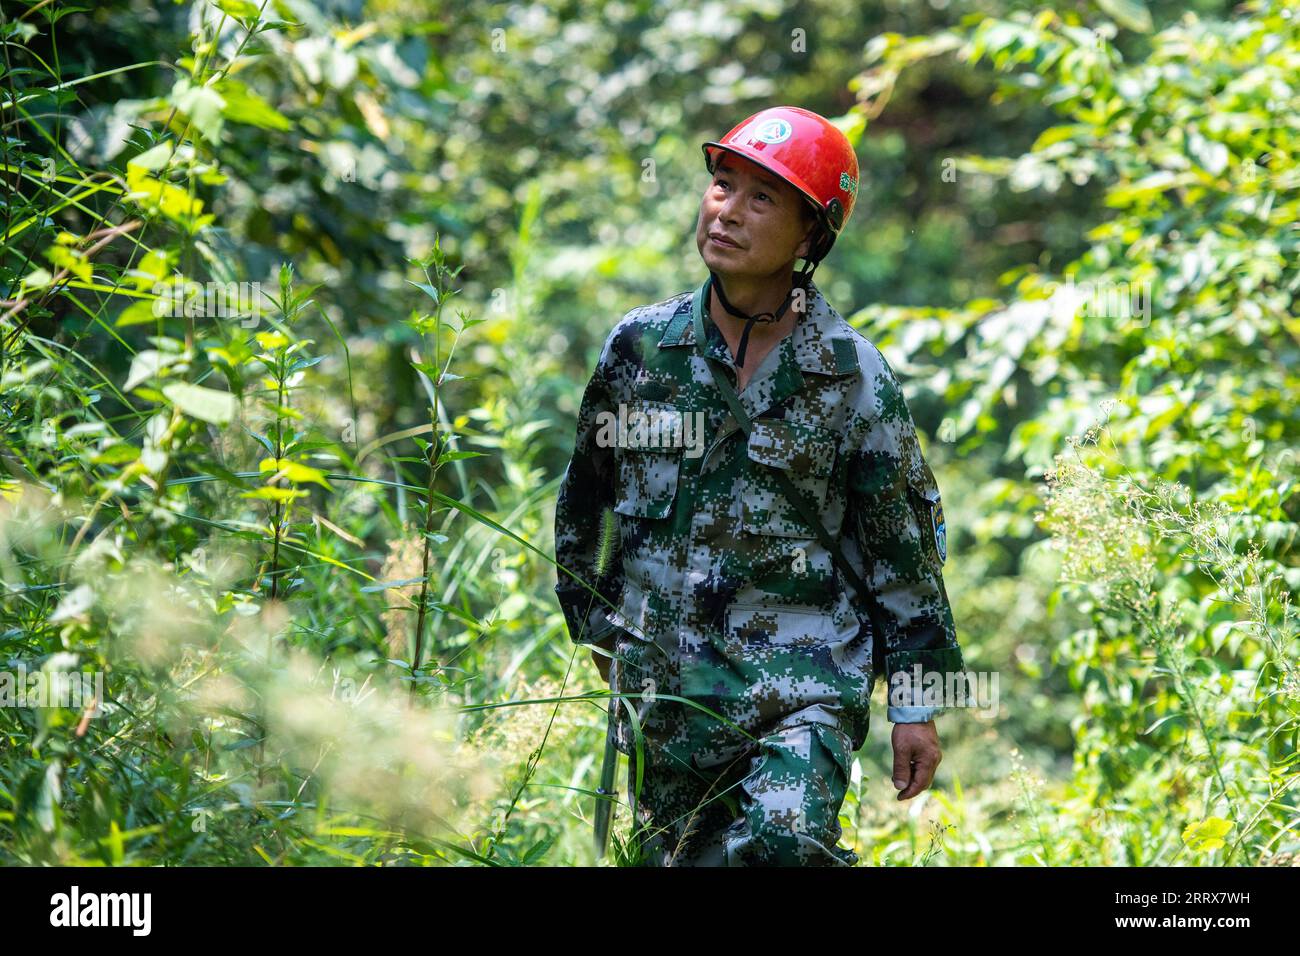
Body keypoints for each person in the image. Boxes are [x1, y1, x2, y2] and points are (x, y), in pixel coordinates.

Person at [553, 105, 965, 866]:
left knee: (786, 842)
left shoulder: (852, 376)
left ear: (811, 235)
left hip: (803, 688)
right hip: (667, 694)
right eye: (721, 185)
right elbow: (585, 505)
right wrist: (600, 631)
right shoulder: (641, 350)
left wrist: (917, 704)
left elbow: (902, 555)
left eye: (762, 198)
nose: (727, 212)